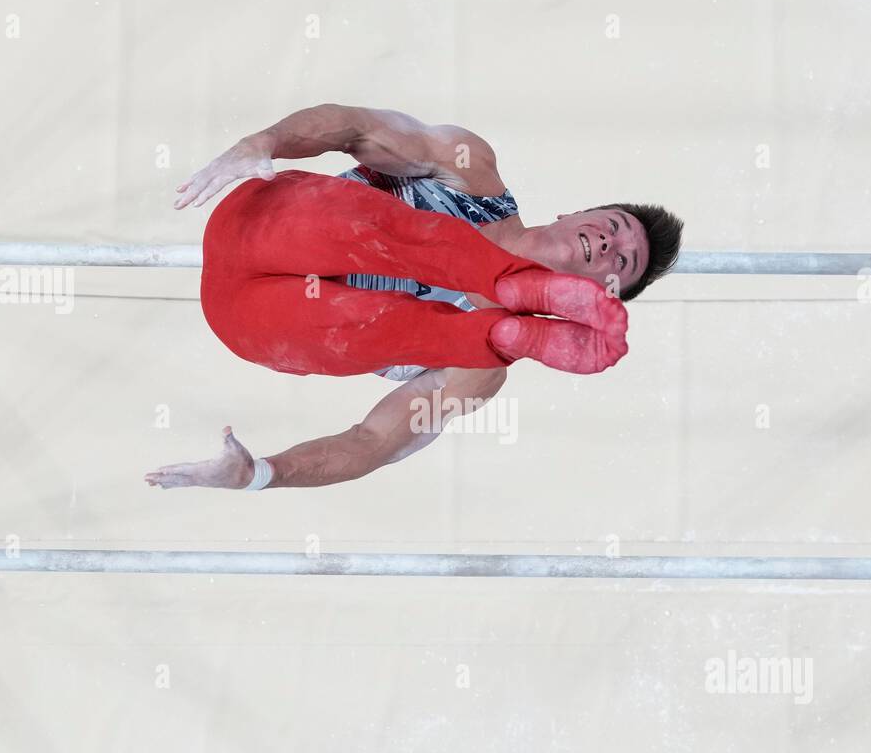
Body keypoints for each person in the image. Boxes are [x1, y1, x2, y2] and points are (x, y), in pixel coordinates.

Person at [146, 104, 682, 491]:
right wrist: (263, 142)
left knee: (390, 330)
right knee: (375, 232)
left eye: (623, 262)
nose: (612, 242)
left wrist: (261, 473)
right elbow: (356, 126)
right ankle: (502, 282)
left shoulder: (480, 372)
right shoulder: (468, 170)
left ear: (601, 295)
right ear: (575, 213)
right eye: (614, 225)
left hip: (255, 323)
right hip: (265, 225)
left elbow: (373, 442)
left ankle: (496, 302)